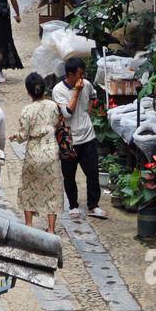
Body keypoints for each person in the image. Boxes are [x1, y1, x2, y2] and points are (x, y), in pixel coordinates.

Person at [52, 57, 106, 219]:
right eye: (79, 74)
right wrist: (76, 91)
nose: (82, 78)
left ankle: (93, 205)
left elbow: (92, 97)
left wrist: (86, 114)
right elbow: (67, 113)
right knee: (69, 175)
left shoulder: (87, 85)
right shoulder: (58, 90)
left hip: (88, 136)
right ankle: (73, 205)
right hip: (69, 138)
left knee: (93, 173)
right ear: (70, 74)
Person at [10, 73, 60, 233]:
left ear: (28, 91)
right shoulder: (53, 106)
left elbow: (23, 135)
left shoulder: (27, 110)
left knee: (28, 188)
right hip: (51, 151)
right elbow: (56, 123)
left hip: (34, 153)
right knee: (52, 190)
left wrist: (15, 137)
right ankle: (51, 228)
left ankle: (29, 225)